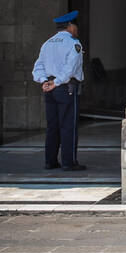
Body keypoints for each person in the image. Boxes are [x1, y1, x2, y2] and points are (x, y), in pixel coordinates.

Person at [32, 11, 86, 171]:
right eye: (75, 26)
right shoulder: (73, 43)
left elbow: (38, 67)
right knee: (68, 125)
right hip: (65, 88)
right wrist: (55, 83)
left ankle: (50, 161)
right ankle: (69, 162)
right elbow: (70, 68)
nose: (77, 30)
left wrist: (44, 81)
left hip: (50, 88)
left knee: (52, 126)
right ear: (70, 26)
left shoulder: (47, 43)